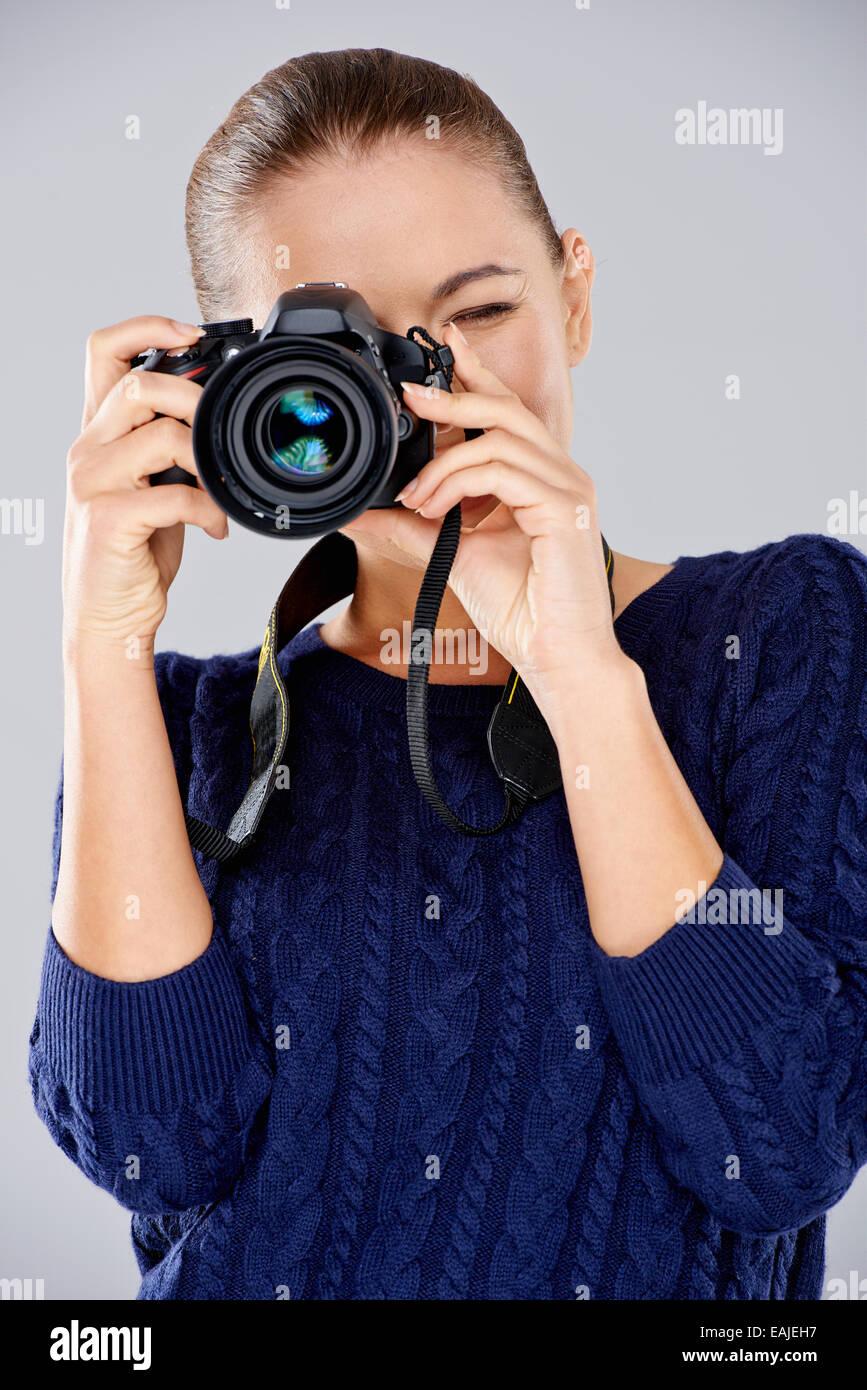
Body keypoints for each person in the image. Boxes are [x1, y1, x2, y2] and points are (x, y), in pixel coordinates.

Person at [29, 47, 867, 1300]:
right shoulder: (185, 724)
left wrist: (577, 665)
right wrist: (98, 644)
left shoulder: (783, 629)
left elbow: (780, 1143)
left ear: (576, 294)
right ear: (234, 393)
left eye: (477, 317)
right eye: (348, 354)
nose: (430, 395)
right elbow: (152, 1151)